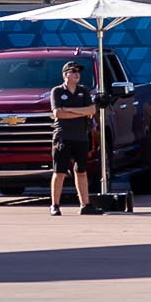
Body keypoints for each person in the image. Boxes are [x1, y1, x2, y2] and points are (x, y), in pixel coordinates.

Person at [49, 58, 101, 217]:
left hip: (81, 137)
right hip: (63, 137)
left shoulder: (84, 91)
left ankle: (85, 204)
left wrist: (70, 110)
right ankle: (55, 205)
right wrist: (80, 111)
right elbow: (58, 113)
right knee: (60, 172)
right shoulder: (57, 91)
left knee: (81, 171)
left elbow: (92, 110)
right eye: (73, 72)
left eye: (78, 72)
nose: (77, 74)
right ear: (65, 75)